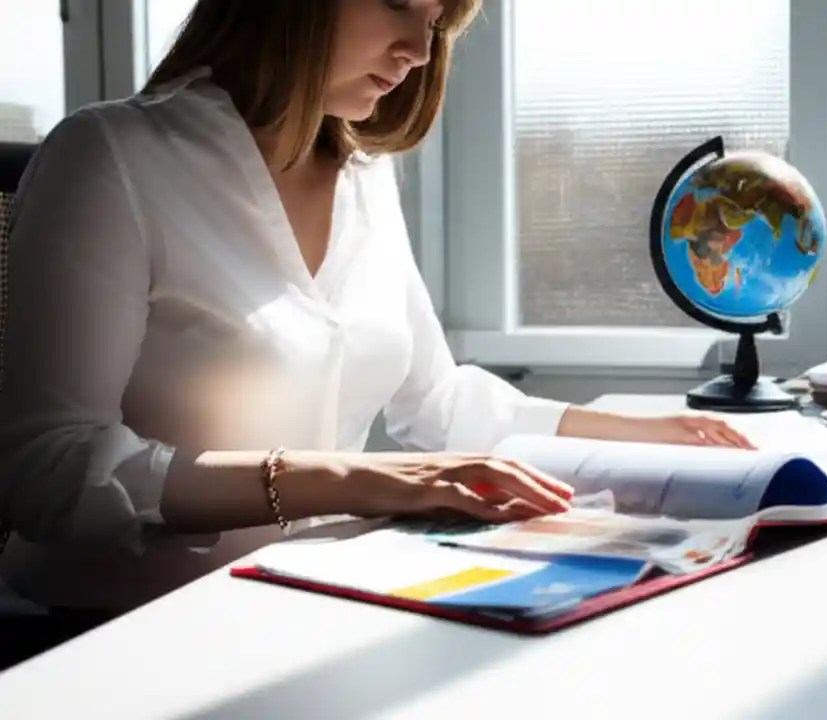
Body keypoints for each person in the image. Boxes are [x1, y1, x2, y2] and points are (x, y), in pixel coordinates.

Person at [0, 0, 754, 663]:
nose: (420, 52)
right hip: (112, 637)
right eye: (399, 5)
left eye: (434, 24)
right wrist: (347, 479)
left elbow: (437, 399)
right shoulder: (110, 157)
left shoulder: (364, 173)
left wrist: (639, 432)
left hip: (307, 609)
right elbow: (49, 469)